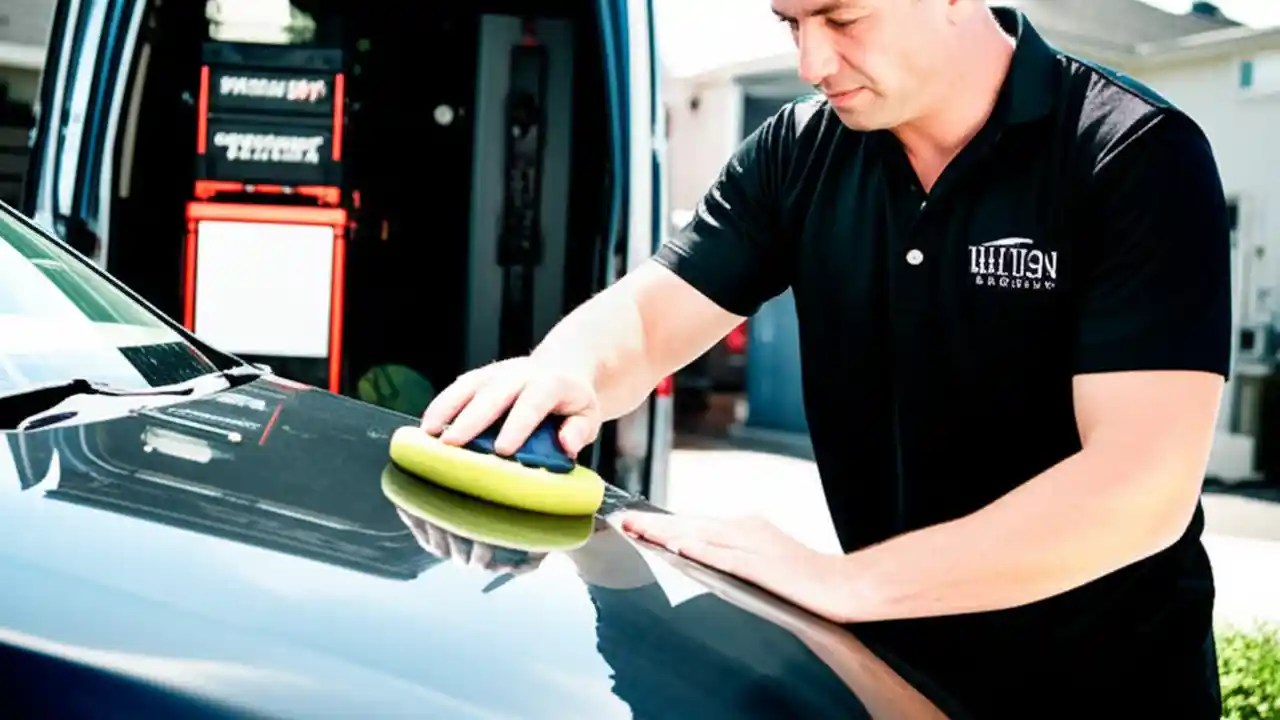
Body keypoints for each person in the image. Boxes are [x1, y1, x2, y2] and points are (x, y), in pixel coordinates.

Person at [421, 1, 1231, 715]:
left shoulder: (1130, 155)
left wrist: (845, 585)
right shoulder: (803, 151)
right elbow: (648, 317)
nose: (812, 63)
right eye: (790, 24)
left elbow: (1140, 487)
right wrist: (564, 368)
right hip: (889, 681)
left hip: (1108, 690)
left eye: (841, 19)